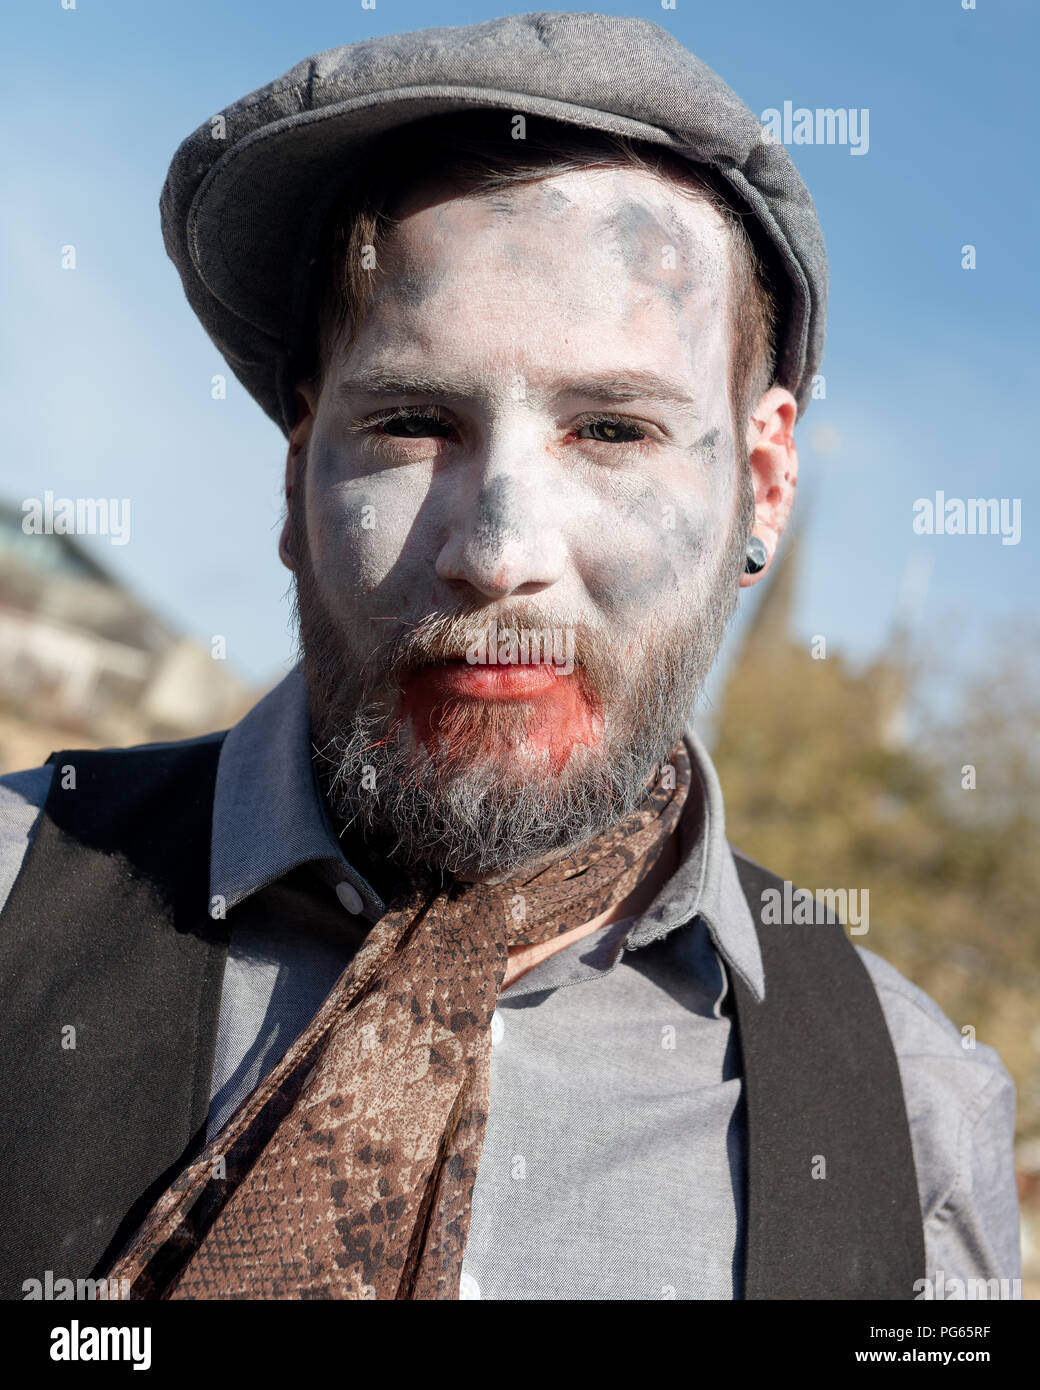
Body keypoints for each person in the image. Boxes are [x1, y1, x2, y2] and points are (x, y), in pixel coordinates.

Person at [0, 12, 1019, 1301]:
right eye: (417, 423)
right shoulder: (14, 903)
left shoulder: (914, 1111)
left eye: (612, 430)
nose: (497, 552)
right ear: (299, 467)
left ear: (762, 483)